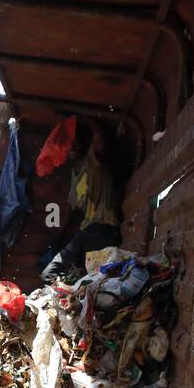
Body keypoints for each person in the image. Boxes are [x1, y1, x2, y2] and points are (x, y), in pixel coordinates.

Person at [40, 119, 123, 282]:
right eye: (67, 144)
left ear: (84, 141)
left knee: (95, 281)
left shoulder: (94, 160)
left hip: (104, 229)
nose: (70, 147)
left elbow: (99, 135)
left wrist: (77, 118)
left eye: (73, 142)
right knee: (48, 274)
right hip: (84, 231)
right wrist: (58, 235)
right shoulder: (75, 174)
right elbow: (71, 208)